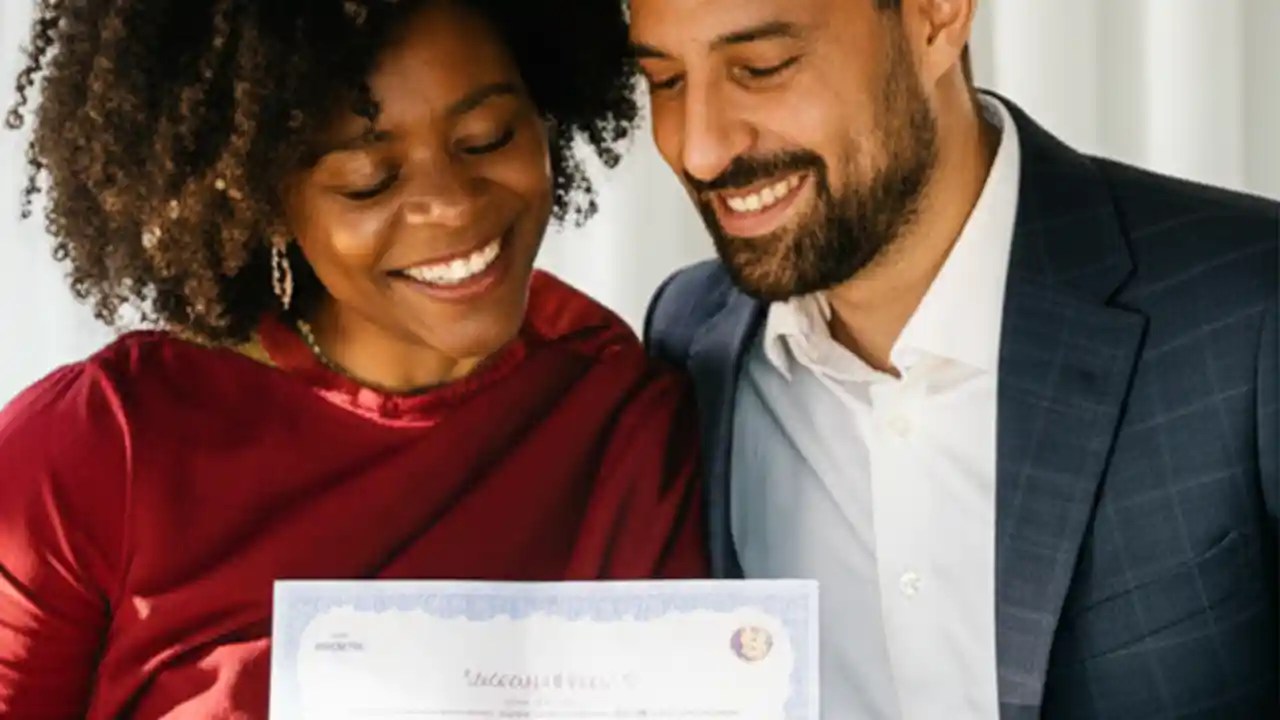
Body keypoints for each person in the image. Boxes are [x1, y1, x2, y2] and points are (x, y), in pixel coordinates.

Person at [0, 0, 705, 716]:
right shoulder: (99, 450)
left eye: (488, 137)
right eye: (370, 179)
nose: (453, 207)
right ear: (264, 198)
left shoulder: (620, 410)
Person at [631, 0, 1279, 717]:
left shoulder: (1249, 308)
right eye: (664, 81)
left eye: (762, 68)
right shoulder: (687, 339)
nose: (701, 149)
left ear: (936, 18)